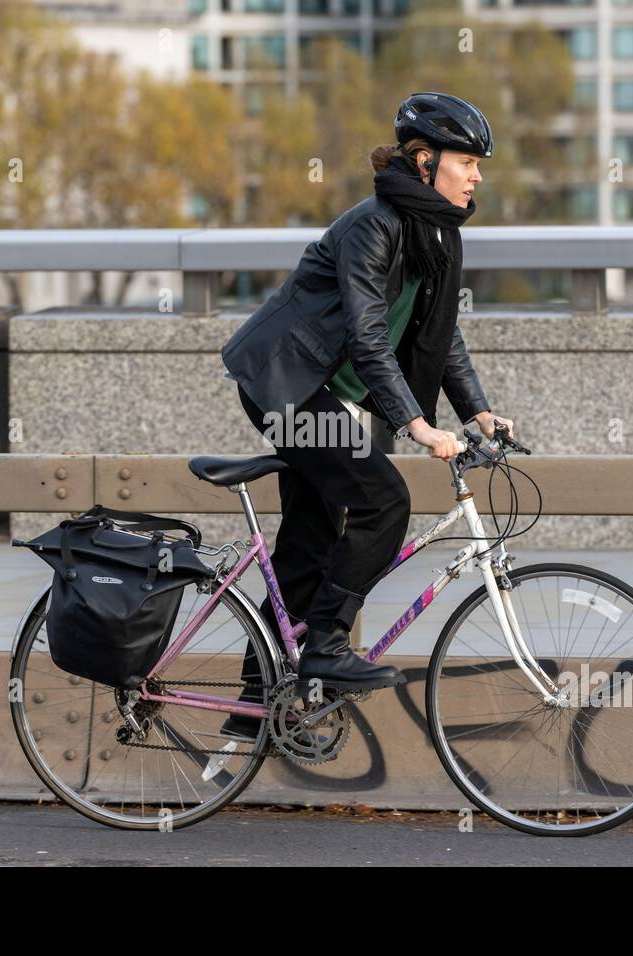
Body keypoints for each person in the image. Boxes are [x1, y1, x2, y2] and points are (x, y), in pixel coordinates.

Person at [218, 91, 516, 736]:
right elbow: (367, 336)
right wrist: (418, 426)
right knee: (382, 500)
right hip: (285, 385)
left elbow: (443, 336)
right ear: (424, 159)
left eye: (478, 163)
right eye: (467, 160)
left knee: (308, 547)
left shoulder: (436, 232)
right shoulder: (373, 225)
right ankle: (325, 645)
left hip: (331, 393)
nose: (477, 173)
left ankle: (253, 708)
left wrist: (480, 412)